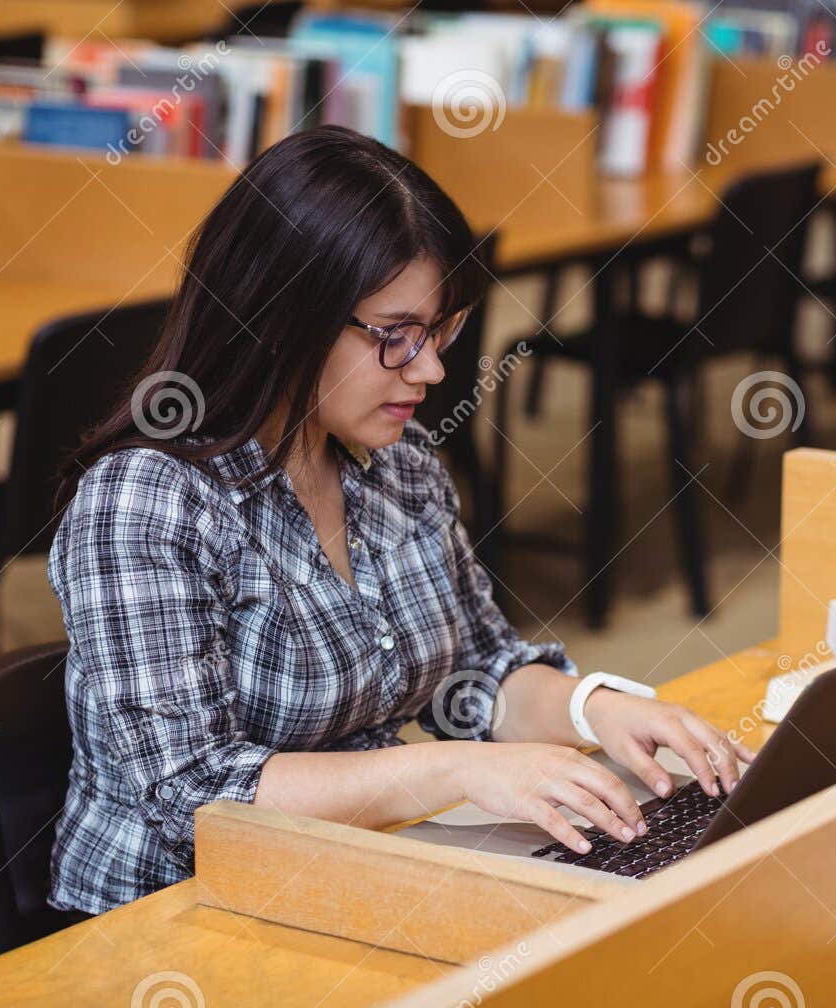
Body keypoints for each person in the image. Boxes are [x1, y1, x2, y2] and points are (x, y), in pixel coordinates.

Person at [47, 127, 752, 914]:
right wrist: (455, 770)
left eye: (440, 330)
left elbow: (474, 670)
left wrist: (599, 707)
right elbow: (195, 792)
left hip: (353, 869)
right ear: (283, 315)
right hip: (172, 915)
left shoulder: (398, 458)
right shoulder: (147, 501)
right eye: (396, 336)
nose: (431, 368)